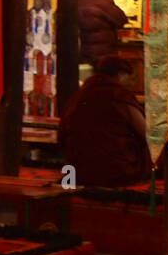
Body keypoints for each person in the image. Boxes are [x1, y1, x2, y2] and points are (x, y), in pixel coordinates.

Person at [58, 54, 151, 187]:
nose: (128, 83)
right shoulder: (119, 95)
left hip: (77, 170)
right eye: (127, 78)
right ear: (120, 75)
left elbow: (62, 134)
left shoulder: (80, 94)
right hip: (116, 170)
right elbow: (146, 133)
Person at [77, 0, 128, 69]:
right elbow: (122, 19)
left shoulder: (82, 2)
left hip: (85, 51)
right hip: (104, 53)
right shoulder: (104, 2)